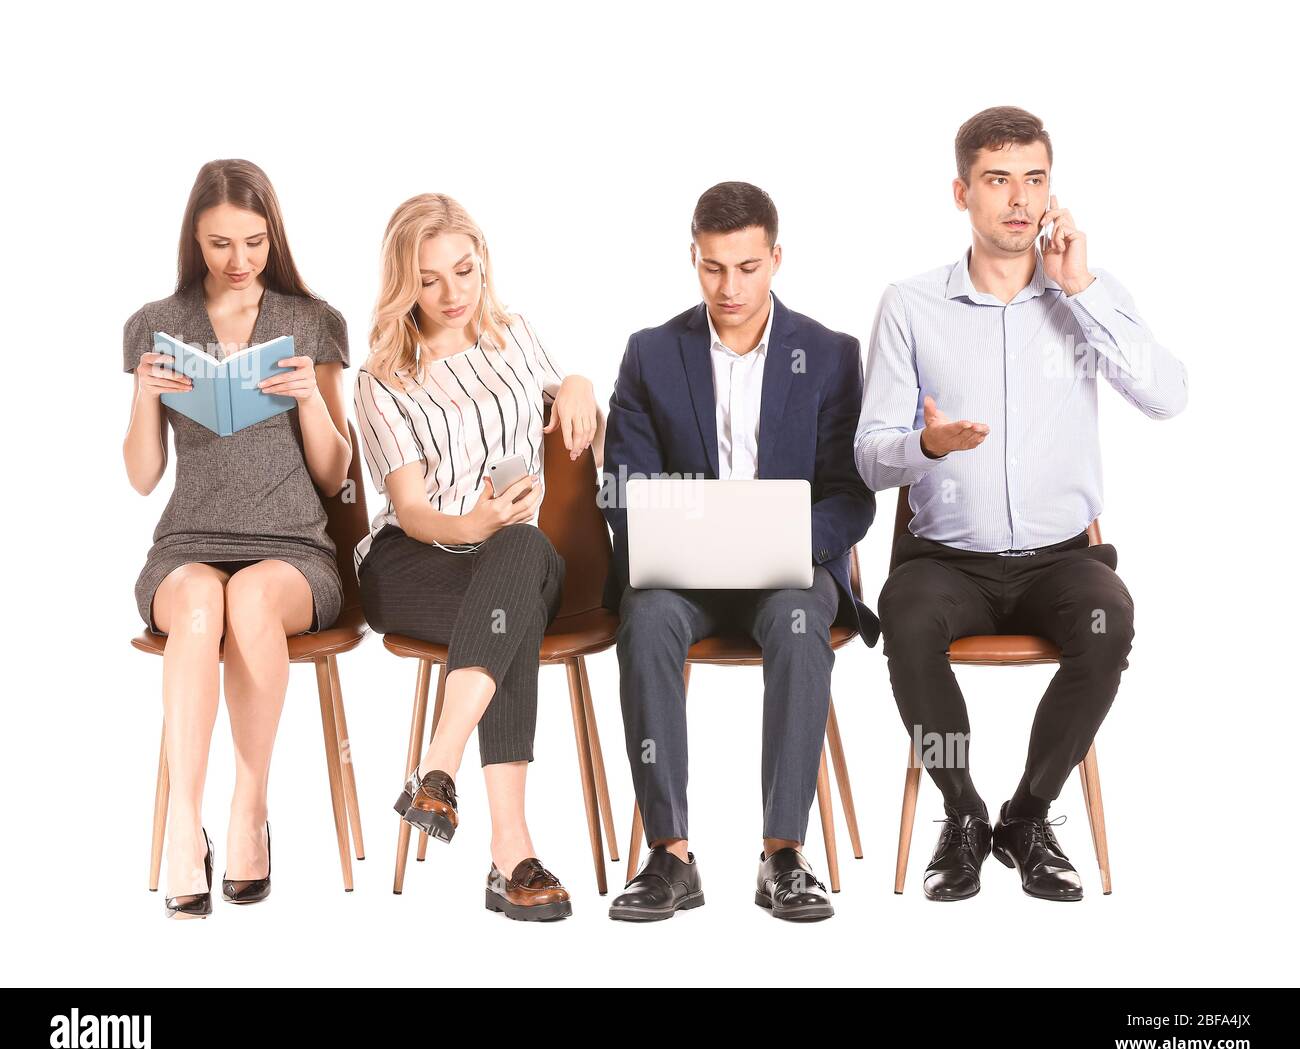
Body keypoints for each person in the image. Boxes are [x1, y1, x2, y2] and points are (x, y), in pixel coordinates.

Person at [856, 106, 1188, 902]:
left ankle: (1028, 815)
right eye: (998, 180)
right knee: (904, 620)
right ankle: (963, 813)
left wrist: (1084, 289)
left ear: (1051, 192)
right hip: (948, 564)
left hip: (1060, 561)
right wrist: (926, 447)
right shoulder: (910, 304)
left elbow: (1169, 395)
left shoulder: (1086, 296)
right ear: (962, 192)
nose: (1018, 200)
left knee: (1110, 621)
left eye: (1033, 180)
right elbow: (870, 457)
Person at [601, 181, 877, 923]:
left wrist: (792, 540)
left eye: (748, 267)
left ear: (775, 259)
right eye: (714, 267)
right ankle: (670, 856)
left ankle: (784, 853)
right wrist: (664, 538)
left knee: (795, 620)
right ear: (694, 259)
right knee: (647, 616)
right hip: (682, 576)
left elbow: (851, 496)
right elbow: (622, 485)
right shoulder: (652, 354)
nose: (731, 286)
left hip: (786, 570)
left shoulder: (827, 355)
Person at [354, 193, 601, 922]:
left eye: (465, 271)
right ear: (405, 284)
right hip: (417, 562)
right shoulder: (381, 380)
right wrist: (471, 523)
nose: (453, 294)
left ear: (482, 264)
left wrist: (581, 382)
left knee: (519, 555)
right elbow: (411, 510)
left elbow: (564, 389)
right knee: (510, 606)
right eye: (430, 280)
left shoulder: (514, 337)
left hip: (515, 555)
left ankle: (438, 767)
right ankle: (511, 856)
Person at [123, 159, 353, 918]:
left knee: (249, 599)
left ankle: (247, 811)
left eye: (254, 241)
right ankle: (184, 832)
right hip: (187, 540)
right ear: (195, 237)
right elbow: (142, 474)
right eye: (221, 243)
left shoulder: (311, 321)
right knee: (197, 606)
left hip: (291, 549)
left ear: (272, 236)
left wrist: (307, 400)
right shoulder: (157, 322)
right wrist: (146, 397)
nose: (240, 260)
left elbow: (333, 474)